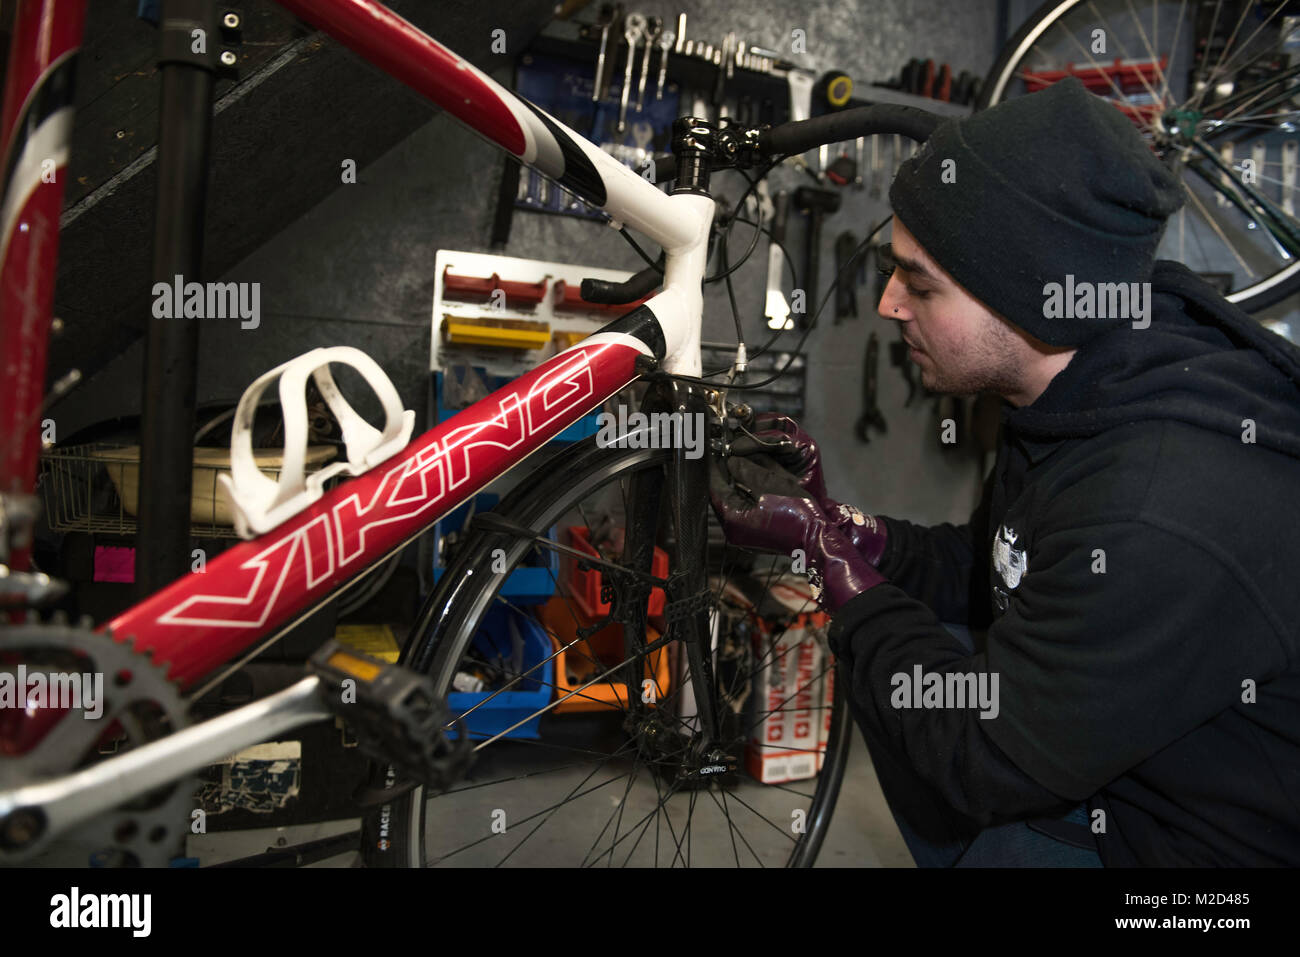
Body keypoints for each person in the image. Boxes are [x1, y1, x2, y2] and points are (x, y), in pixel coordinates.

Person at [711, 77, 1300, 866]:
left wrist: (838, 575)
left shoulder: (1158, 504)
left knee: (901, 670)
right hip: (1125, 781)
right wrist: (857, 536)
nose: (889, 304)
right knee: (909, 646)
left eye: (920, 283)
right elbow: (1004, 569)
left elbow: (978, 759)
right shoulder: (1071, 384)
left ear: (1030, 301)